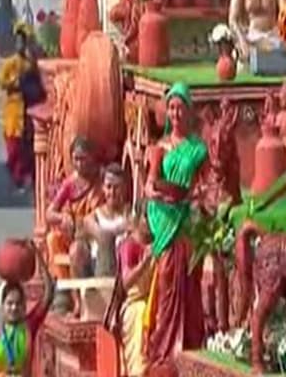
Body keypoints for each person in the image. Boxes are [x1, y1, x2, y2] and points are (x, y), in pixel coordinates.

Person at [142, 82, 209, 370]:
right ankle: (163, 350)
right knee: (167, 283)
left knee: (189, 285)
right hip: (164, 220)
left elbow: (205, 186)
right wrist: (153, 192)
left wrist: (196, 200)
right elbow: (149, 183)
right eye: (171, 107)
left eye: (181, 107)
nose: (176, 113)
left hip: (186, 222)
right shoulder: (160, 148)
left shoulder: (198, 150)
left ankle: (190, 346)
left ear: (189, 111)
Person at [0, 227, 55, 376]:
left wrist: (37, 255)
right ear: (2, 305)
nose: (14, 308)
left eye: (18, 304)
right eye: (10, 303)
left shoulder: (29, 327)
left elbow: (48, 294)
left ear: (24, 306)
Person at [45, 136, 104, 282]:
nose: (79, 164)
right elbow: (49, 213)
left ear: (91, 158)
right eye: (76, 159)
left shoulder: (102, 179)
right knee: (52, 239)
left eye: (83, 158)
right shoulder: (70, 184)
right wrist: (62, 217)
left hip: (97, 231)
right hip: (75, 232)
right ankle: (65, 288)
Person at [0, 25, 37, 192]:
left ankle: (21, 179)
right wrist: (14, 82)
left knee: (25, 149)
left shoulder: (30, 64)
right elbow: (1, 83)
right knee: (13, 149)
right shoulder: (9, 64)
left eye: (24, 42)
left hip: (27, 111)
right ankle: (14, 174)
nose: (21, 45)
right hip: (13, 113)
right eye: (19, 42)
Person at [113, 213, 153, 377]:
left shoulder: (157, 242)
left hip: (154, 299)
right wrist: (144, 263)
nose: (150, 223)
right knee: (140, 312)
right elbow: (126, 282)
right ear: (139, 220)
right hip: (134, 304)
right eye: (147, 218)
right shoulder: (129, 245)